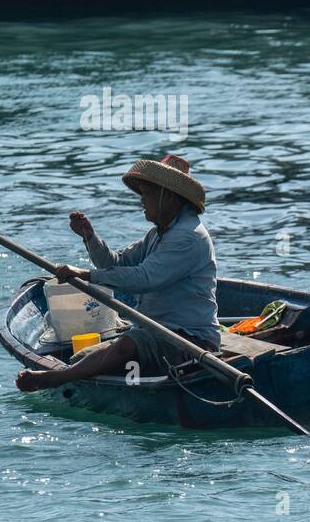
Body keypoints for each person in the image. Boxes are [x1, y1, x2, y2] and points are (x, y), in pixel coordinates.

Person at [15, 154, 218, 392]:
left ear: (169, 196)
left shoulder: (187, 236)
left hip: (189, 342)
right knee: (82, 358)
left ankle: (55, 379)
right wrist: (89, 237)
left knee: (129, 345)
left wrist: (86, 275)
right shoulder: (158, 234)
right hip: (155, 333)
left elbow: (144, 279)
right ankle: (68, 373)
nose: (142, 200)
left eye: (147, 193)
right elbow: (118, 263)